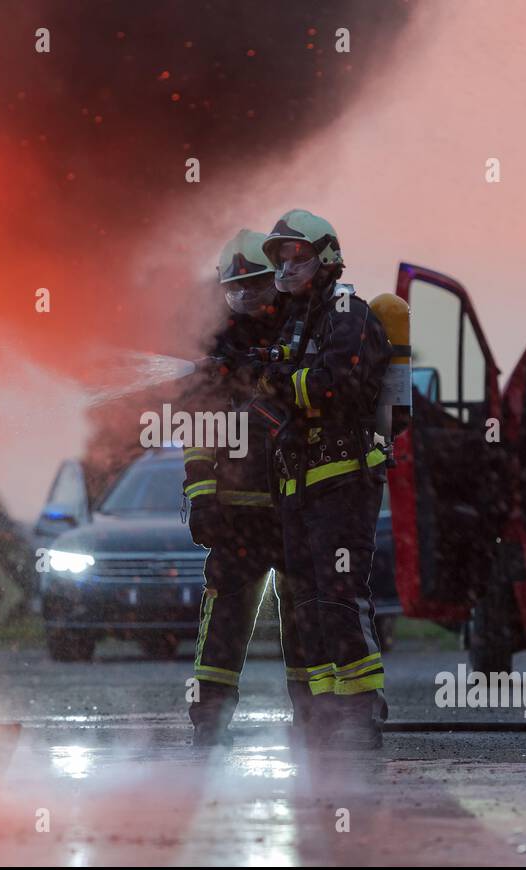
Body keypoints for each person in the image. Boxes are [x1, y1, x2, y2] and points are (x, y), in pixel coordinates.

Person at [259, 209, 392, 749]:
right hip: (296, 484)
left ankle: (362, 713)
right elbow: (268, 394)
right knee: (303, 601)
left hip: (341, 478)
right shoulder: (293, 320)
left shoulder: (349, 313)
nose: (287, 267)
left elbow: (336, 384)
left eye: (297, 255)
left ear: (327, 257)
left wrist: (281, 384)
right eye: (279, 258)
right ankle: (318, 712)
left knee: (340, 595)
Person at [182, 229, 307, 746]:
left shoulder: (306, 331)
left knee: (305, 614)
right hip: (235, 511)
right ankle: (209, 719)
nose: (246, 297)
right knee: (225, 615)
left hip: (296, 506)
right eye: (236, 289)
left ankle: (314, 717)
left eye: (255, 286)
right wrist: (201, 496)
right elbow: (197, 428)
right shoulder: (214, 352)